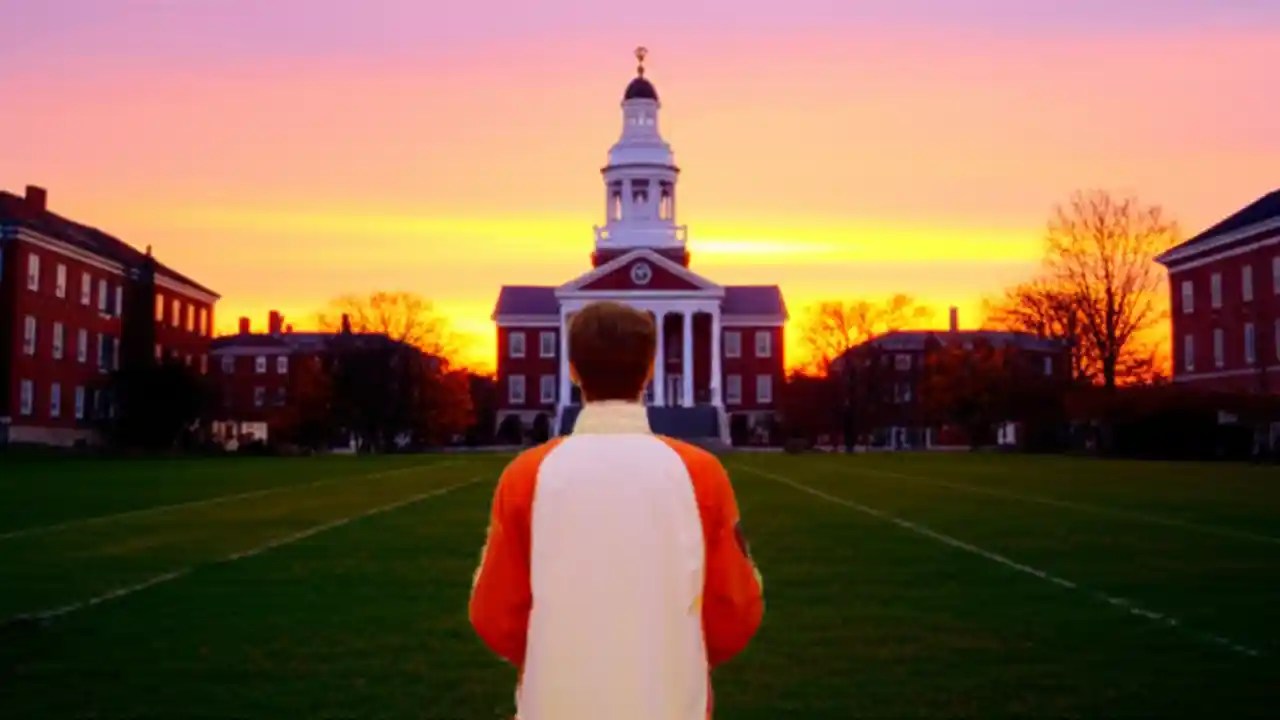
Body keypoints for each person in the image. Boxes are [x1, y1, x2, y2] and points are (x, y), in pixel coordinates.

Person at [469, 300, 764, 720]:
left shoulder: (528, 475)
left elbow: (496, 615)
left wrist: (562, 658)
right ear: (649, 369)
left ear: (572, 369)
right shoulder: (700, 473)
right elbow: (733, 611)